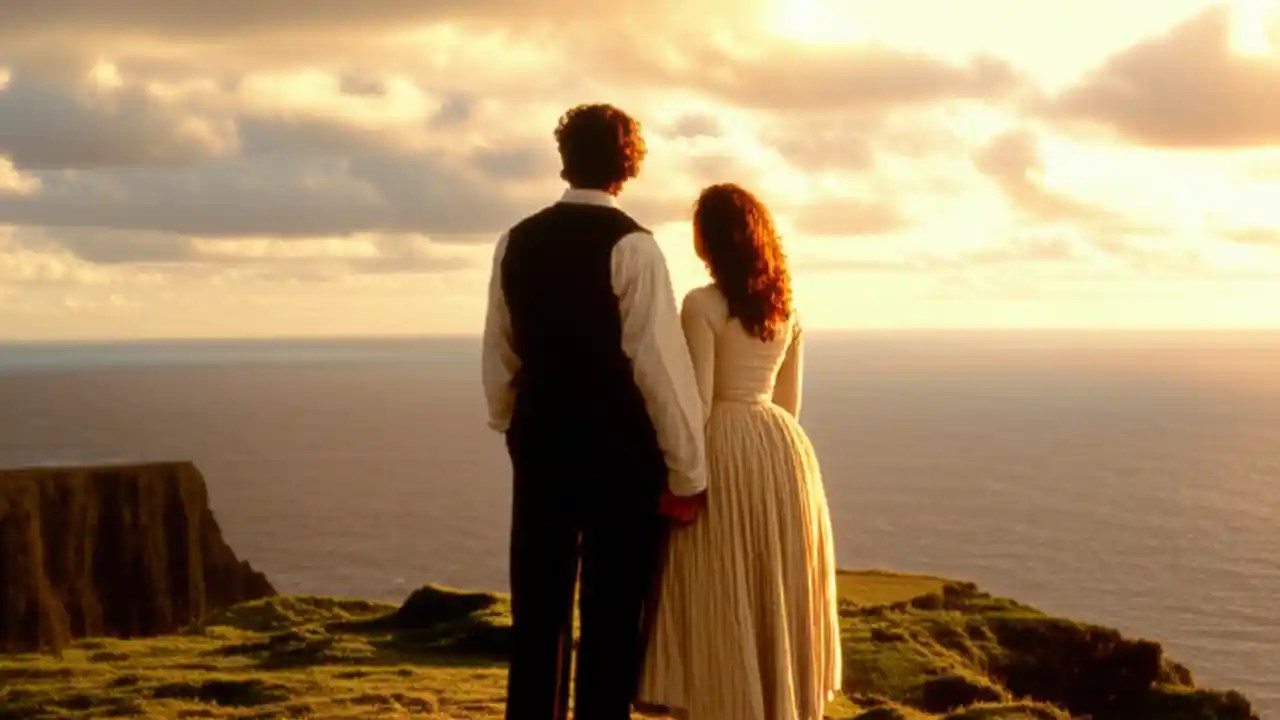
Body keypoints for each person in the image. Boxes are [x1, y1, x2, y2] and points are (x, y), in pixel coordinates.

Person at [482, 103, 707, 720]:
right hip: (619, 455)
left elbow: (500, 352)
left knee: (537, 613)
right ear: (627, 167)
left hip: (541, 442)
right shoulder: (634, 247)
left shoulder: (515, 241)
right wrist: (688, 471)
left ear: (564, 159)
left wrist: (510, 421)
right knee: (610, 619)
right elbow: (657, 367)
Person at [638, 184, 842, 720]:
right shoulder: (788, 309)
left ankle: (723, 700)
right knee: (775, 581)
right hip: (784, 451)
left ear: (711, 240)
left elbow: (698, 401)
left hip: (723, 443)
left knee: (718, 585)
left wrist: (677, 469)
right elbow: (789, 403)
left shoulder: (701, 304)